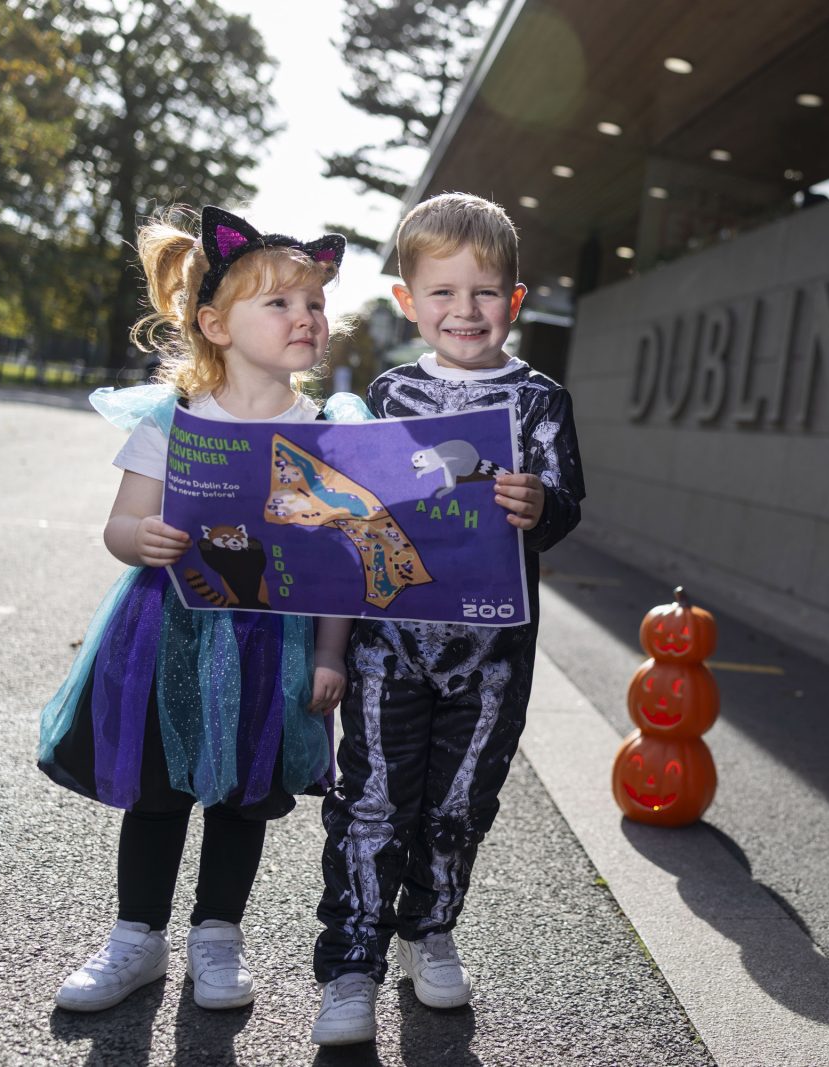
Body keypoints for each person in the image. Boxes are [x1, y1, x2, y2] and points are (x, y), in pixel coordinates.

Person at [38, 205, 361, 1013]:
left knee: (244, 791)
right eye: (279, 303)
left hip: (272, 640)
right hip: (166, 633)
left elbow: (337, 564)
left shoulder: (322, 431)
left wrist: (330, 655)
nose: (305, 317)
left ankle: (218, 937)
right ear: (216, 324)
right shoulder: (173, 417)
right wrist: (138, 535)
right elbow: (119, 523)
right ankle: (136, 938)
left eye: (314, 303)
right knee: (157, 785)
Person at [311, 192, 585, 1045]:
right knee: (372, 800)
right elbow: (351, 516)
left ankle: (430, 929)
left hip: (496, 653)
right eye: (443, 292)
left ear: (517, 298)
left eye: (485, 292)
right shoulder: (388, 394)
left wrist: (539, 501)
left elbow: (566, 508)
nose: (465, 310)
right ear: (407, 301)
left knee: (461, 801)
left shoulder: (541, 401)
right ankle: (351, 960)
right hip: (389, 645)